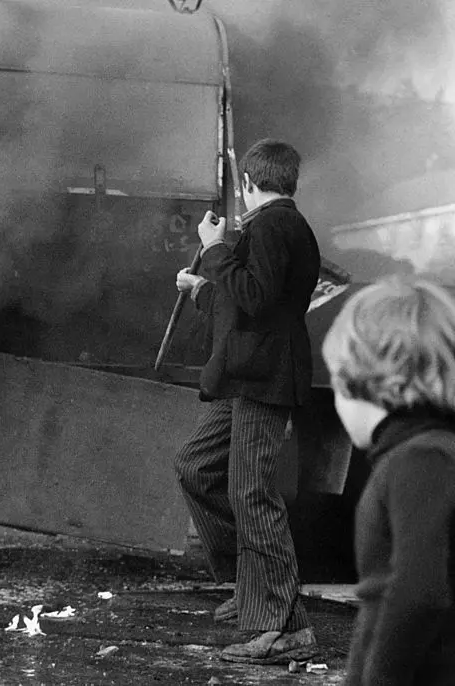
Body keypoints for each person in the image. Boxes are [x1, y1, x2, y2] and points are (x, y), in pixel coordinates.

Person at [173, 139, 321, 664]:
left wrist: (214, 249)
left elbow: (255, 298)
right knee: (195, 466)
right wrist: (201, 288)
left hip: (263, 377)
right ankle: (249, 588)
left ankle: (283, 626)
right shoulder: (277, 227)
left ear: (248, 184)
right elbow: (248, 304)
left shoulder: (273, 226)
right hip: (245, 373)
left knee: (252, 492)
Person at [322, 276, 455, 685]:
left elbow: (418, 593)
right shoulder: (429, 453)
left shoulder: (421, 460)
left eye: (336, 385)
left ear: (364, 382)